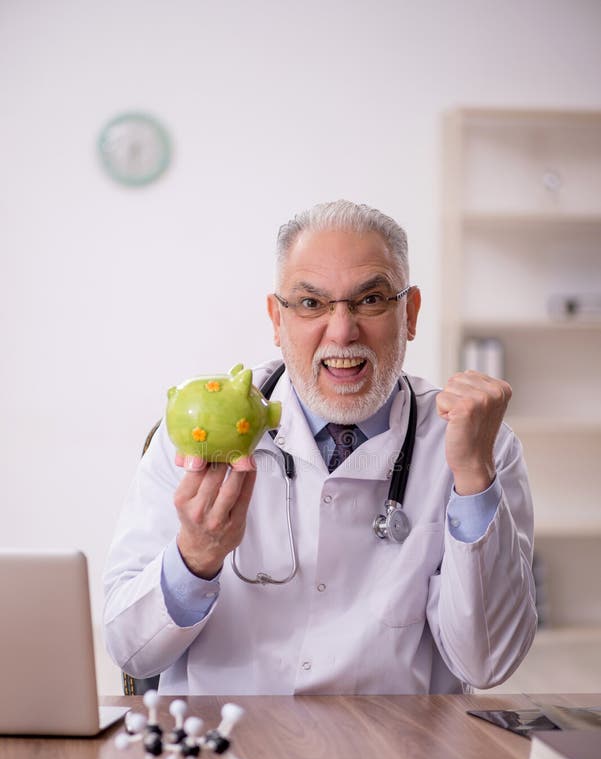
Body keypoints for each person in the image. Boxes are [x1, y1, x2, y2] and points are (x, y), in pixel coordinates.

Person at [104, 200, 536, 695]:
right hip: (225, 749)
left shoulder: (477, 445)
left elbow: (488, 663)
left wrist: (473, 481)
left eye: (370, 300)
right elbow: (129, 648)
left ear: (410, 313)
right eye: (311, 304)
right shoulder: (194, 437)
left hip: (399, 757)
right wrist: (194, 557)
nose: (342, 330)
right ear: (276, 318)